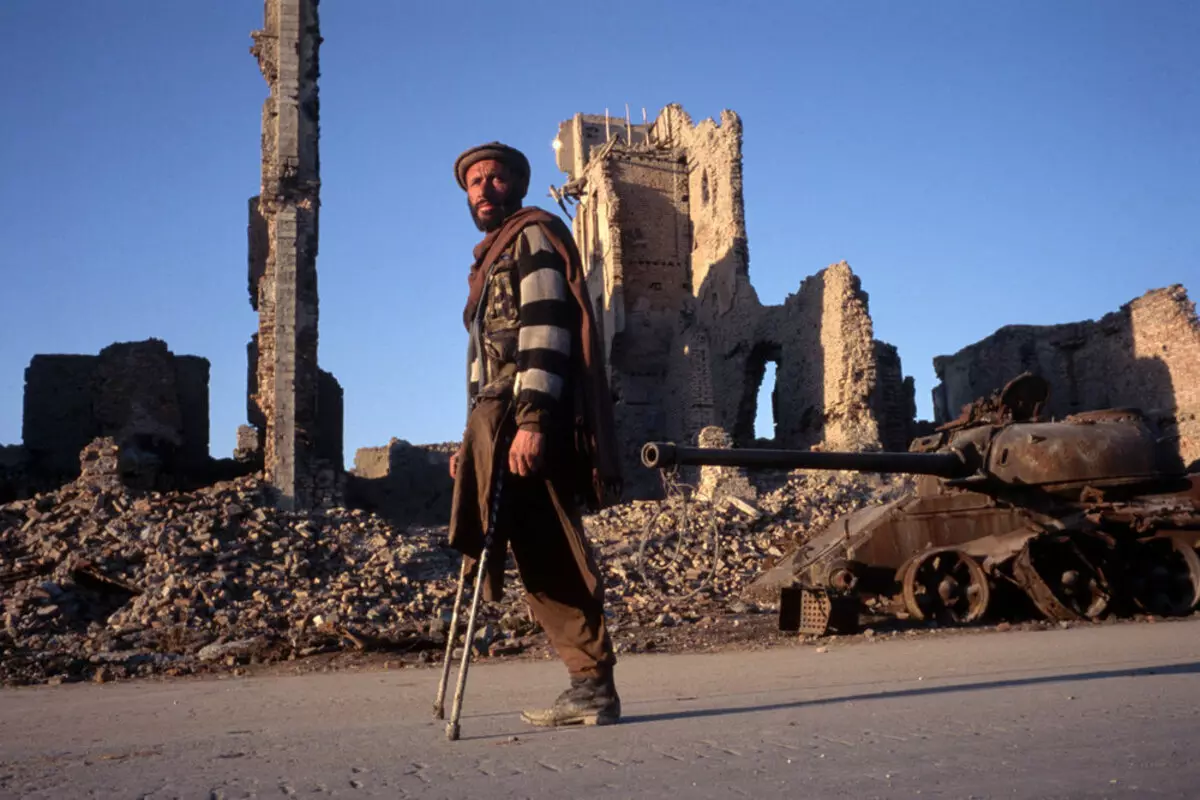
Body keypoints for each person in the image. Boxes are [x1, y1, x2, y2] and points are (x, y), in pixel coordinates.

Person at [446, 141, 623, 727]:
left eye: (496, 179)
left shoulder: (531, 237)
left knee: (550, 547)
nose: (484, 190)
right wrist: (468, 440)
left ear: (516, 187)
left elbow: (547, 330)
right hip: (497, 422)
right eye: (474, 182)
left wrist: (532, 423)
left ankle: (592, 684)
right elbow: (485, 360)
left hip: (527, 420)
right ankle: (587, 683)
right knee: (532, 549)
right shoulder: (488, 258)